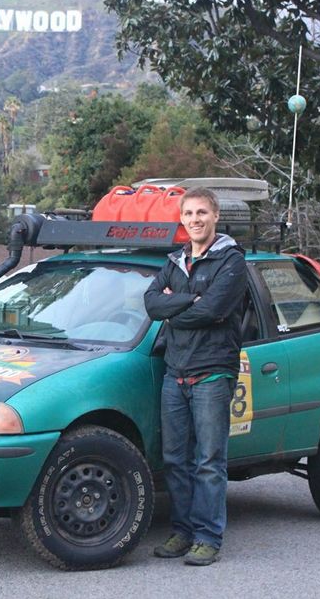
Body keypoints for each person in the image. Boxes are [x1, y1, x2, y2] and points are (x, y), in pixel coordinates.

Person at [144, 186, 247, 566]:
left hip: (212, 373)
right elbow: (151, 304)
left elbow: (214, 310)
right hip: (176, 371)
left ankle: (208, 537)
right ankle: (182, 531)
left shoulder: (231, 261)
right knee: (175, 459)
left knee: (209, 460)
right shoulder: (175, 260)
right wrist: (189, 301)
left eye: (202, 213)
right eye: (189, 214)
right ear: (182, 219)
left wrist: (176, 307)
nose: (195, 220)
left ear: (215, 216)